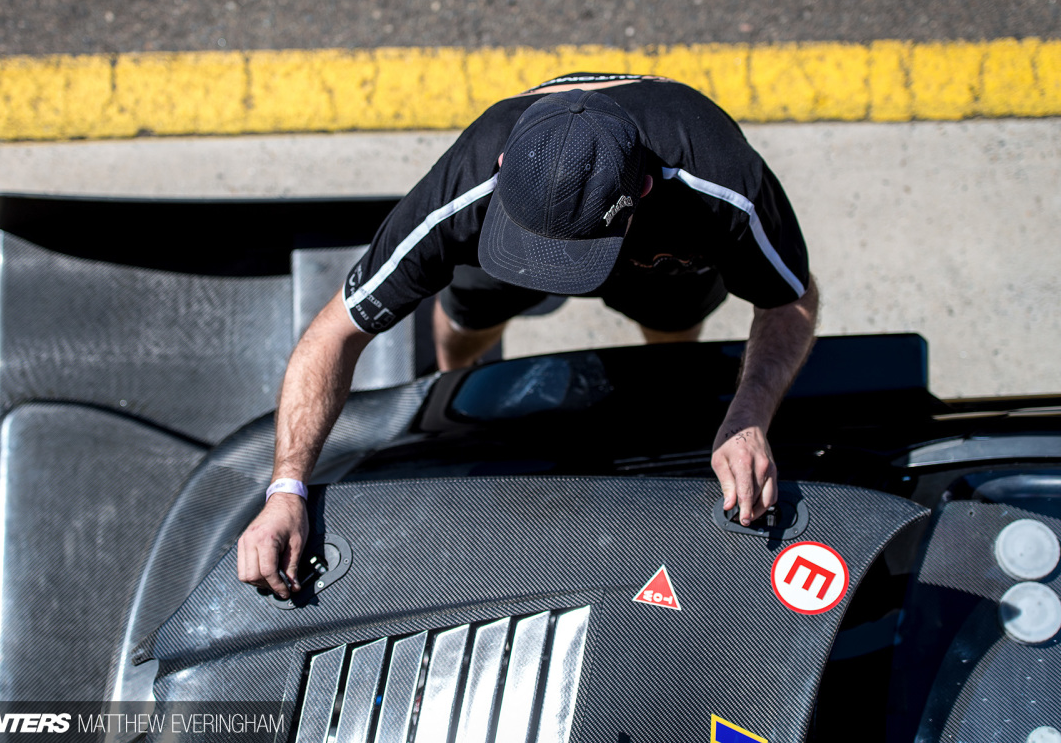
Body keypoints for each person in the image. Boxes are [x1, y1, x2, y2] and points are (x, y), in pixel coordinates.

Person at [237, 73, 818, 598]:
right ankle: (454, 382)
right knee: (469, 322)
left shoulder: (717, 179)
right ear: (501, 166)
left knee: (671, 334)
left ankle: (666, 413)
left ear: (643, 190)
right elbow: (334, 333)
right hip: (509, 245)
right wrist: (286, 490)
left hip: (662, 257)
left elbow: (790, 297)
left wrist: (747, 418)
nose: (550, 275)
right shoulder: (461, 187)